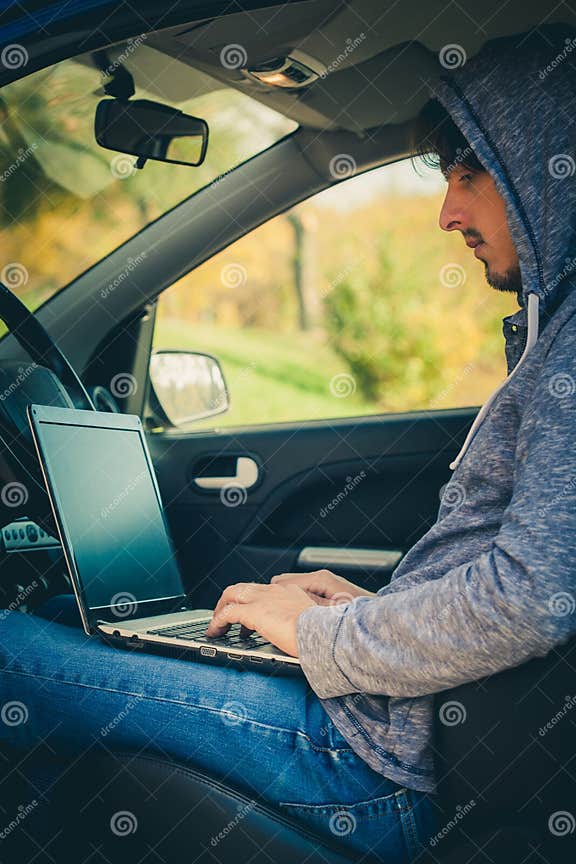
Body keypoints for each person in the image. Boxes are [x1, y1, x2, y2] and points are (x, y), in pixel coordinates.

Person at [1, 24, 575, 863]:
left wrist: (318, 639)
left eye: (470, 173)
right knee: (57, 617)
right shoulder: (552, 337)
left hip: (372, 762)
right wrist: (364, 612)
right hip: (396, 724)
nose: (449, 212)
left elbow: (532, 597)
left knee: (12, 649)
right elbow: (509, 570)